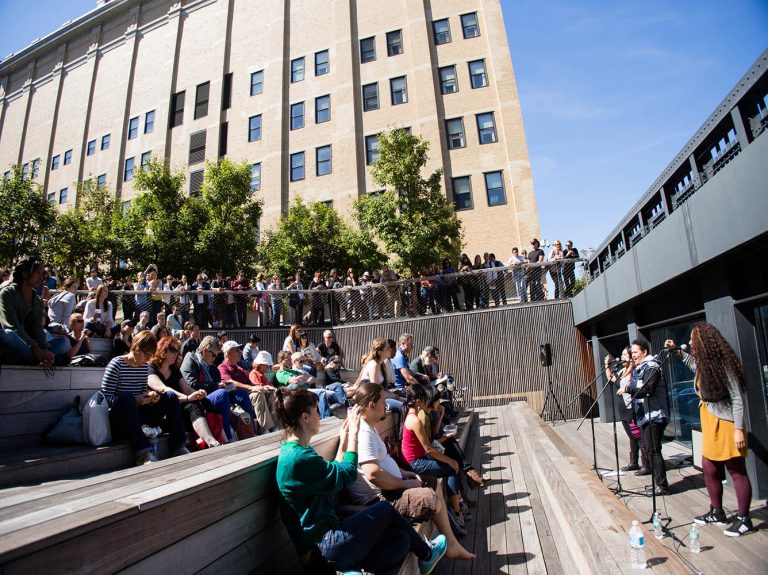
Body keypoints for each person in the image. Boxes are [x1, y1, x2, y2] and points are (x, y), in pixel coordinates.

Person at [275, 387, 448, 574]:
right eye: (316, 410)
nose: (320, 415)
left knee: (401, 540)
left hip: (332, 539)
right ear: (305, 417)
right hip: (326, 544)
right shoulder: (298, 458)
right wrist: (354, 436)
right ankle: (427, 555)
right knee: (385, 509)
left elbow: (336, 472)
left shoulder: (296, 453)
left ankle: (354, 571)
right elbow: (347, 474)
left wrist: (344, 441)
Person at [348, 382, 476, 560]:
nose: (387, 405)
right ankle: (452, 539)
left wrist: (404, 473)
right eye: (383, 401)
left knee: (430, 481)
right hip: (378, 499)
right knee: (430, 496)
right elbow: (373, 473)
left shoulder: (369, 427)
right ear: (371, 405)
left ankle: (452, 538)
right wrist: (405, 482)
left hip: (391, 487)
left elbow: (383, 461)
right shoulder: (364, 433)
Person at [666, 324, 754, 536]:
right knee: (709, 467)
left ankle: (744, 519)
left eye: (694, 339)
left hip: (726, 423)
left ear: (704, 342)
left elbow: (737, 399)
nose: (692, 342)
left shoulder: (724, 365)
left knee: (736, 470)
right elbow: (691, 364)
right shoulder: (705, 365)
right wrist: (677, 351)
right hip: (709, 419)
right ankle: (717, 511)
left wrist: (739, 429)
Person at [101, 331, 188, 465]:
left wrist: (150, 398)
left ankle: (178, 446)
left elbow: (142, 392)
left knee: (169, 396)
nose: (147, 359)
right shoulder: (116, 364)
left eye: (150, 356)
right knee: (126, 397)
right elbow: (106, 399)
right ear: (136, 348)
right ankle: (142, 453)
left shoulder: (143, 368)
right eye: (146, 355)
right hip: (120, 418)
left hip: (138, 413)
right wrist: (135, 399)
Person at [402, 384, 464, 522]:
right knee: (452, 468)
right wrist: (450, 461)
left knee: (452, 465)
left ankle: (459, 505)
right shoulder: (415, 420)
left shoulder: (413, 415)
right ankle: (458, 511)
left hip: (418, 458)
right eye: (425, 398)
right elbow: (429, 449)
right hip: (416, 463)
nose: (428, 400)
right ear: (418, 401)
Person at [618, 339, 670, 495]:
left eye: (635, 352)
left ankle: (662, 486)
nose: (633, 355)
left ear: (644, 352)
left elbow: (648, 389)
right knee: (648, 450)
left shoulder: (652, 366)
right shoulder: (641, 367)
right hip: (645, 415)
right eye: (632, 352)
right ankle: (657, 483)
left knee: (654, 451)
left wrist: (628, 388)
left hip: (655, 415)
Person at [148, 336, 220, 447]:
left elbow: (187, 389)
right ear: (163, 350)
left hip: (176, 409)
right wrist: (187, 398)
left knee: (202, 402)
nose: (175, 354)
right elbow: (163, 389)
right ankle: (208, 441)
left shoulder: (174, 370)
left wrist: (198, 393)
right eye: (172, 350)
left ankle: (215, 440)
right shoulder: (151, 368)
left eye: (177, 351)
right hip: (157, 411)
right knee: (181, 400)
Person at [0, 257, 70, 366]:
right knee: (7, 335)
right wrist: (37, 350)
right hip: (17, 343)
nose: (41, 278)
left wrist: (45, 350)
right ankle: (42, 358)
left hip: (32, 346)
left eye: (43, 274)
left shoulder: (37, 300)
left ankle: (38, 358)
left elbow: (37, 329)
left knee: (64, 343)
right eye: (37, 273)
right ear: (25, 274)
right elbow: (12, 327)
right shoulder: (7, 293)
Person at [180, 335, 240, 443]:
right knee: (222, 394)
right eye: (213, 355)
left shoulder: (209, 366)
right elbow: (192, 385)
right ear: (205, 351)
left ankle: (249, 432)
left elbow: (214, 382)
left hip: (206, 397)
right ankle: (228, 437)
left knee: (239, 393)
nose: (214, 359)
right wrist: (216, 385)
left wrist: (221, 384)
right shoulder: (191, 360)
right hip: (195, 399)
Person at [604, 348, 646, 472]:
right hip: (622, 408)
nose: (622, 357)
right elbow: (611, 379)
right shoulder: (622, 370)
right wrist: (607, 365)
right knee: (631, 436)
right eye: (621, 354)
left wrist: (632, 363)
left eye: (624, 354)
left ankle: (646, 463)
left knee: (638, 436)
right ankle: (634, 462)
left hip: (631, 408)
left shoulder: (633, 371)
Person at [218, 340, 265, 435]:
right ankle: (256, 431)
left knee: (268, 393)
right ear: (228, 353)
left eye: (240, 350)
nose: (240, 352)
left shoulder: (239, 368)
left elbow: (250, 381)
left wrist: (262, 387)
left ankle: (272, 427)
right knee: (254, 395)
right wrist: (251, 388)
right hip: (233, 397)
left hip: (244, 395)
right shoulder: (222, 367)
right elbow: (230, 383)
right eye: (237, 350)